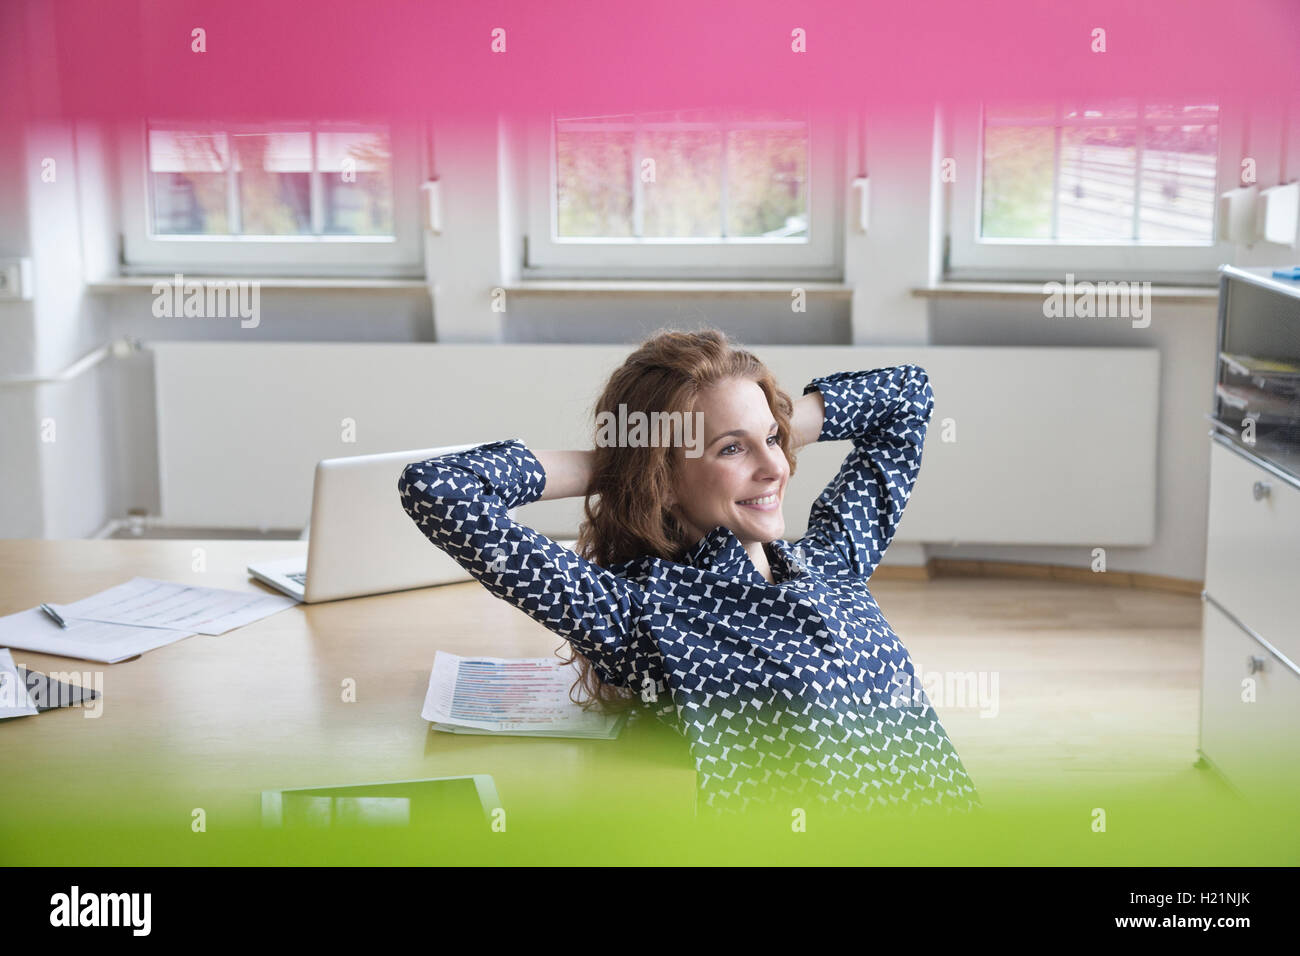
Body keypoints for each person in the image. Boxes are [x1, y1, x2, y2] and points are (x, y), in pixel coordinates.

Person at [399, 329, 981, 817]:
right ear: (663, 479)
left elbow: (907, 396)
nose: (775, 467)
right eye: (732, 450)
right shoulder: (641, 614)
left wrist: (770, 421)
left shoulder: (832, 560)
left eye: (773, 440)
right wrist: (624, 462)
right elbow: (440, 490)